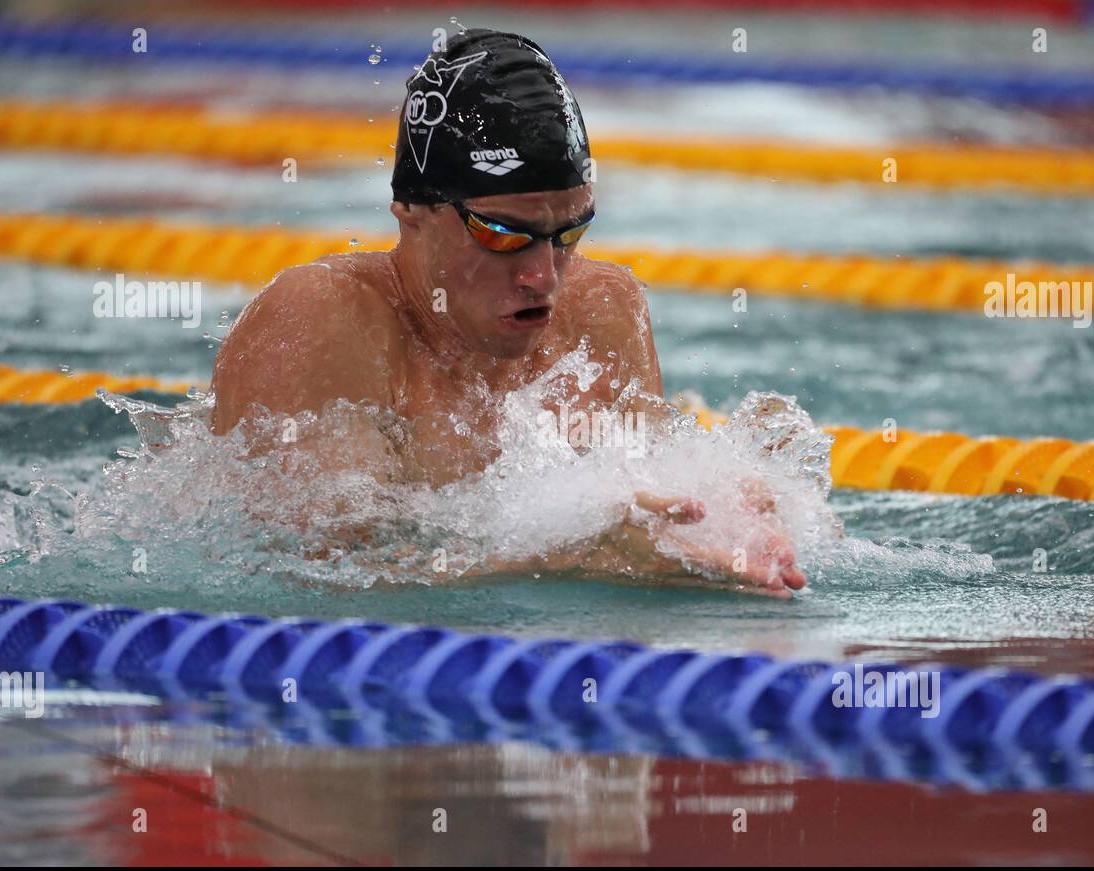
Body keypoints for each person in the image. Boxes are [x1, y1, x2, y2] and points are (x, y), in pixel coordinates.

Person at [210, 28, 806, 597]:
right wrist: (571, 559)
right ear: (412, 210)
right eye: (502, 235)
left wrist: (711, 533)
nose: (543, 277)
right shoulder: (327, 323)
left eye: (568, 234)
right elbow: (319, 576)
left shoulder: (605, 311)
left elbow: (641, 524)